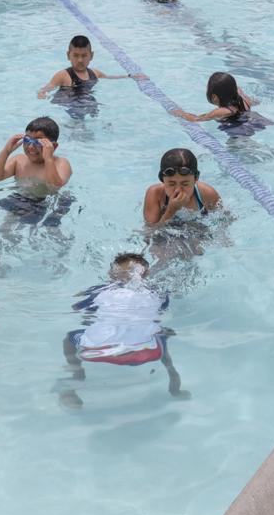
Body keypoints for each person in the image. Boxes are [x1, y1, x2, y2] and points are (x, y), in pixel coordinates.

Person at [60, 253, 188, 408]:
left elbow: (76, 308)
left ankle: (77, 373)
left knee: (69, 338)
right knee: (159, 332)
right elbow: (161, 312)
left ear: (111, 274)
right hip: (147, 353)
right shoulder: (157, 292)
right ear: (146, 274)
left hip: (97, 351)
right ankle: (172, 376)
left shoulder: (101, 290)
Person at [0, 116, 72, 207]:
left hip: (48, 203)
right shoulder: (19, 161)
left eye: (38, 142)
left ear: (53, 146)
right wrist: (6, 152)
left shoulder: (61, 163)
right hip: (22, 197)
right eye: (27, 140)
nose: (30, 146)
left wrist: (48, 159)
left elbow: (54, 187)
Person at [37, 34, 140, 99]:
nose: (80, 60)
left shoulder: (95, 73)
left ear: (91, 56)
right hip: (68, 104)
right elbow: (48, 87)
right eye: (76, 56)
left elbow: (110, 77)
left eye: (84, 55)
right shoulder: (63, 75)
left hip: (86, 102)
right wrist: (42, 93)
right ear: (68, 55)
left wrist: (131, 76)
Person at [143, 148, 221, 226]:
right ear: (162, 180)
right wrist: (171, 210)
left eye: (185, 184)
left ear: (195, 179)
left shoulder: (207, 194)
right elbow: (149, 234)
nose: (178, 190)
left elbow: (224, 222)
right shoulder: (155, 194)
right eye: (171, 184)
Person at [174, 71, 265, 137]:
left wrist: (181, 114)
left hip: (239, 132)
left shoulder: (221, 111)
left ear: (214, 97)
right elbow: (252, 100)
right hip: (255, 121)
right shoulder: (244, 99)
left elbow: (197, 119)